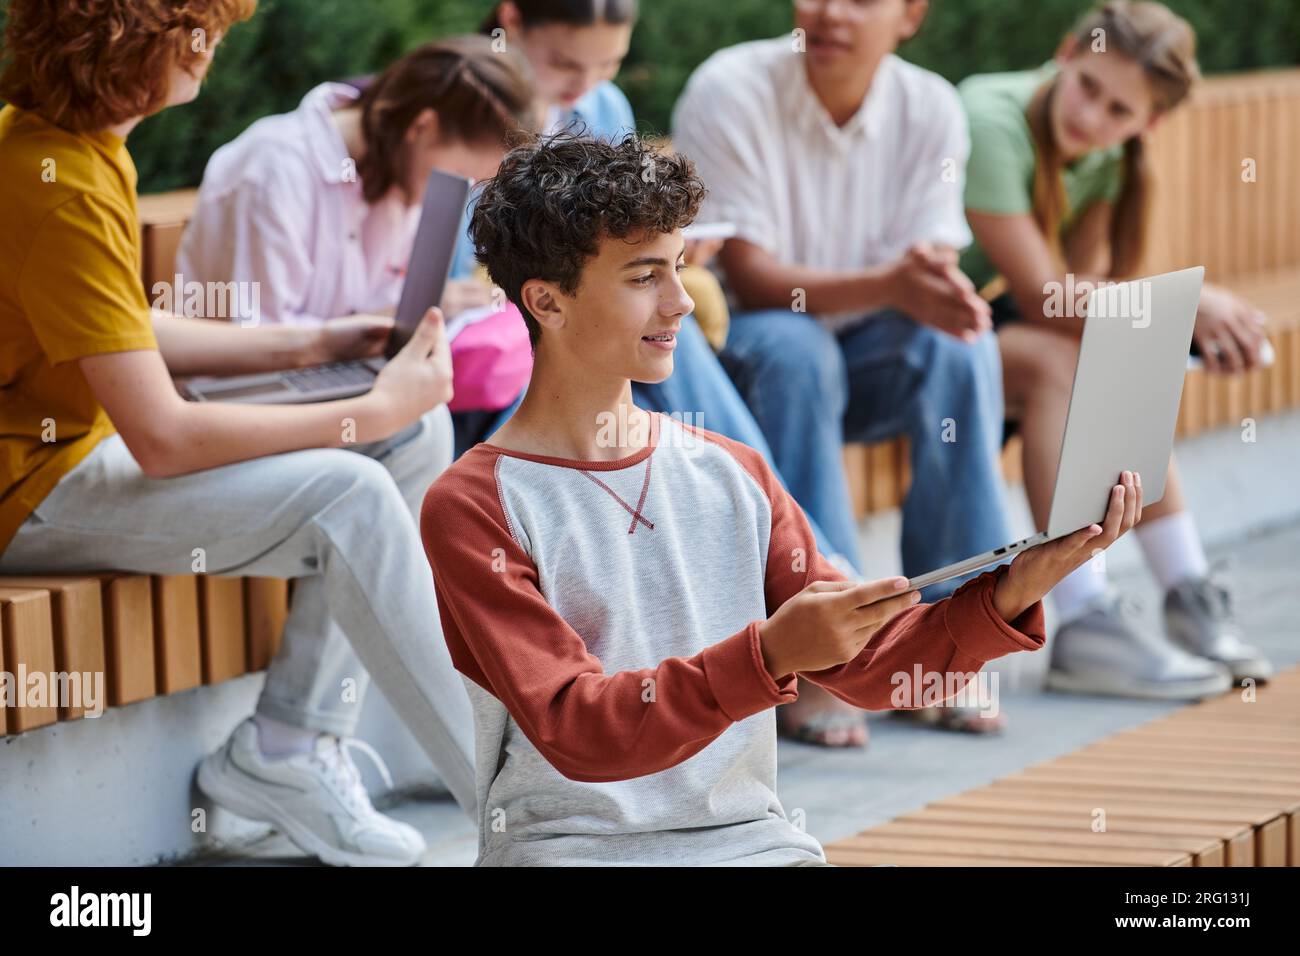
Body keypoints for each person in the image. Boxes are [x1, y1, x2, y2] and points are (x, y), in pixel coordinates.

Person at [420, 133, 1143, 866]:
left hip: (754, 846)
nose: (680, 303)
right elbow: (576, 727)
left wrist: (1012, 591)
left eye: (677, 269)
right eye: (644, 277)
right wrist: (767, 655)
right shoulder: (476, 505)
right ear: (547, 301)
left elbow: (876, 666)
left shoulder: (731, 472)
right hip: (570, 851)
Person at [0, 0, 476, 866]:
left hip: (74, 452)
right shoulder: (57, 183)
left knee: (411, 440)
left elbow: (121, 328)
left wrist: (322, 340)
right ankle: (525, 810)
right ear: (126, 44)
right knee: (355, 486)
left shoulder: (68, 146)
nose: (209, 52)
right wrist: (367, 409)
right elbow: (164, 439)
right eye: (196, 33)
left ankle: (287, 744)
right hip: (27, 493)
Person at [672, 0, 1011, 737]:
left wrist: (929, 287)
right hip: (757, 358)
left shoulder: (930, 106)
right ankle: (833, 646)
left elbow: (929, 268)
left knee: (963, 342)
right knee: (799, 349)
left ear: (912, 15)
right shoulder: (730, 86)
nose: (828, 12)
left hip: (874, 358)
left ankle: (955, 645)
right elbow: (753, 277)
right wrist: (894, 283)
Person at [460, 0, 862, 599]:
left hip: (591, 319)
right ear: (510, 23)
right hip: (509, 336)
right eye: (566, 63)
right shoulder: (462, 109)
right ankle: (817, 573)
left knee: (678, 335)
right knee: (670, 338)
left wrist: (656, 262)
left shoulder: (601, 105)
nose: (584, 85)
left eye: (608, 64)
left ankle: (813, 580)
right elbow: (453, 268)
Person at [958, 0, 1272, 697]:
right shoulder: (991, 118)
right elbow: (1047, 299)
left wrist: (1169, 329)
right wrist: (1186, 310)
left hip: (987, 328)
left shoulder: (1104, 161)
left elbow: (1074, 294)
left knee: (1114, 359)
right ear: (1068, 52)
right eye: (1089, 86)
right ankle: (1085, 619)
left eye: (1118, 112)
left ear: (1147, 124)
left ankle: (1188, 593)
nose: (1091, 117)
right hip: (920, 343)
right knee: (1062, 362)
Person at [177, 36, 536, 329]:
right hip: (240, 402)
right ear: (422, 126)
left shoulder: (399, 169)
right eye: (462, 175)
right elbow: (255, 337)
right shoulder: (273, 170)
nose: (462, 192)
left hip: (342, 390)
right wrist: (405, 317)